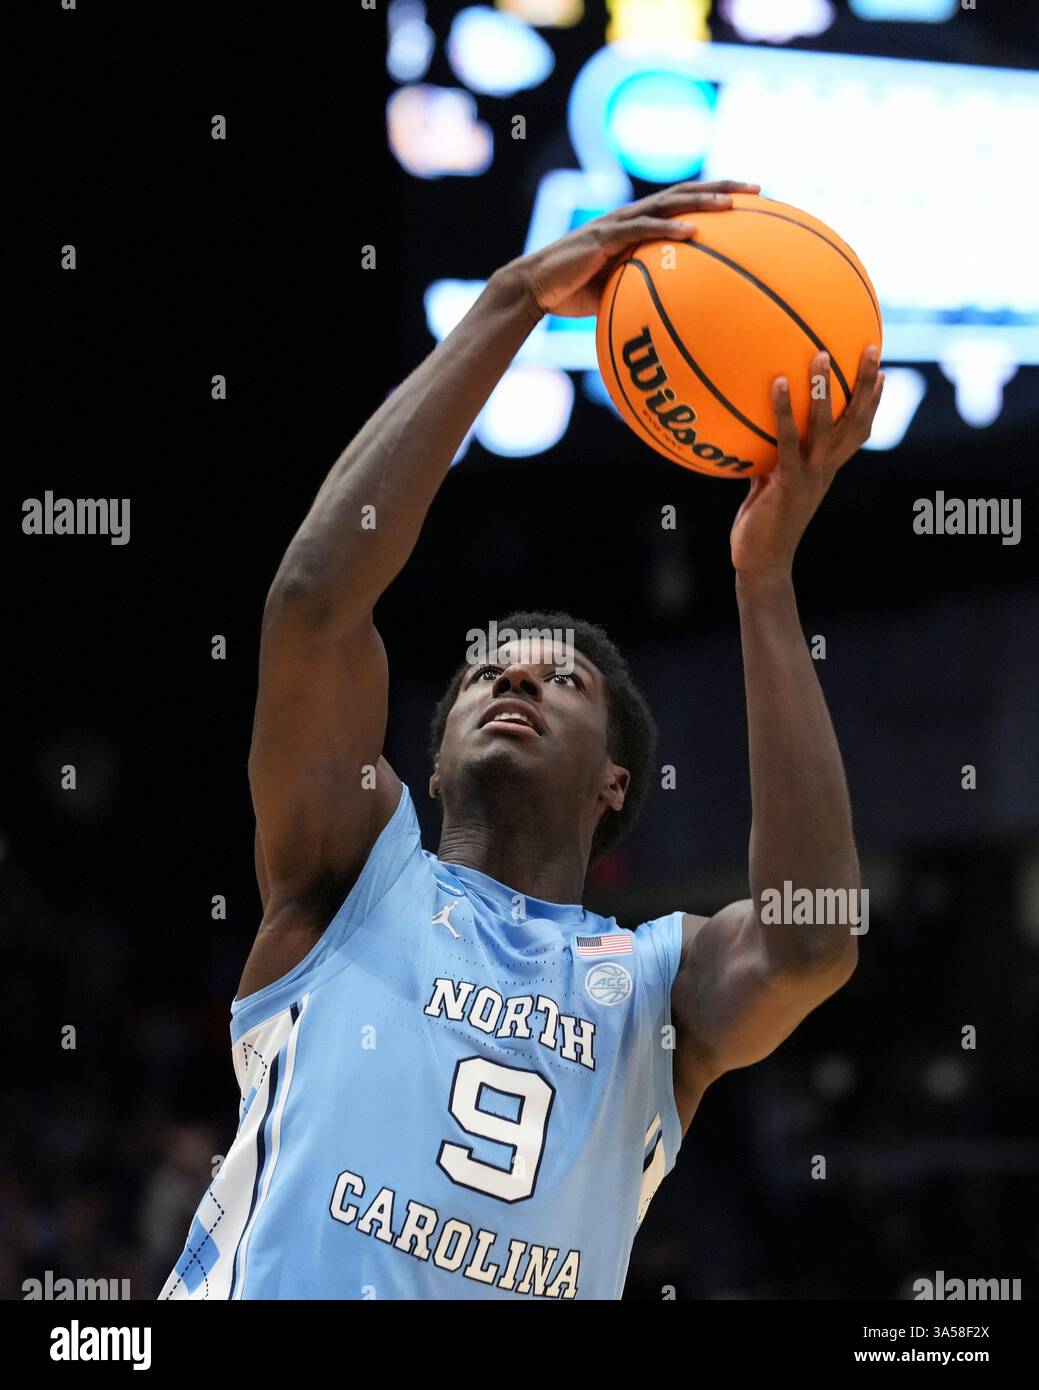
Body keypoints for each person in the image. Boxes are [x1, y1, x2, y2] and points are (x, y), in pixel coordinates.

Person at [159, 180, 885, 1300]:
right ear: (432, 759)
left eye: (564, 675)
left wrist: (766, 577)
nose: (515, 675)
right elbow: (314, 601)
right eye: (487, 669)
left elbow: (813, 939)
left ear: (614, 779)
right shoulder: (348, 875)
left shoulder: (656, 988)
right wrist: (508, 302)